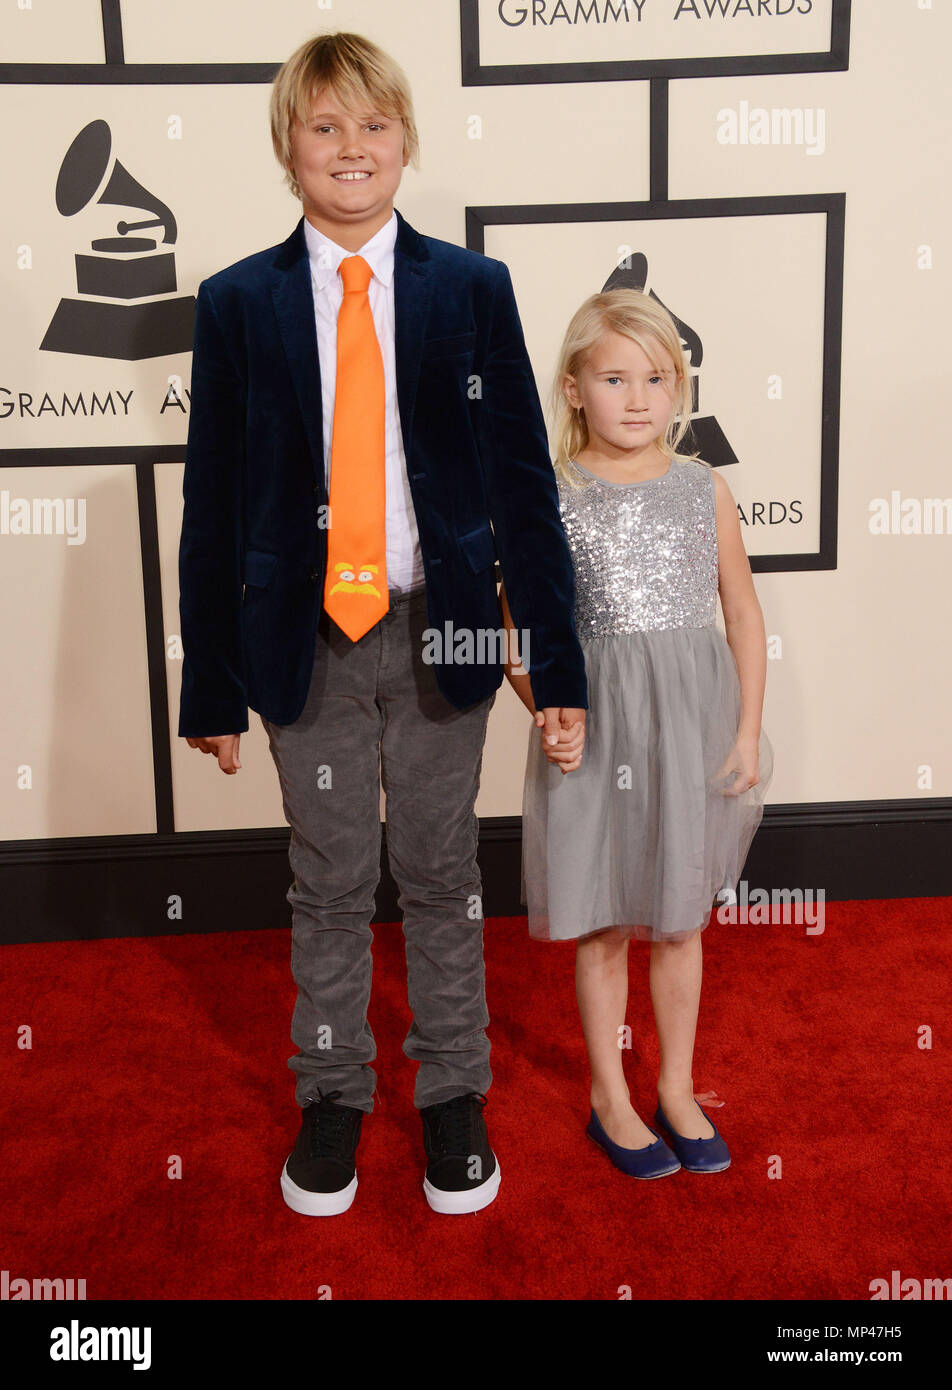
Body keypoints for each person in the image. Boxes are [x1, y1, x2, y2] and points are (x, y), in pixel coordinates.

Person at [176, 31, 588, 1217]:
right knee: (329, 872)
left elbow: (522, 486)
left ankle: (454, 1090)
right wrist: (211, 687)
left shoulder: (471, 289)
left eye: (372, 125)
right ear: (286, 150)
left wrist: (550, 661)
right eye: (324, 126)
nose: (350, 148)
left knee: (442, 866)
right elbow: (213, 501)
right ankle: (333, 1093)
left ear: (405, 142)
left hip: (443, 629)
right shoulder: (238, 303)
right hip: (302, 638)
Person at [499, 288, 773, 1179]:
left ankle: (679, 1086)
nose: (640, 397)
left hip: (690, 722)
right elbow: (515, 631)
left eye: (657, 377)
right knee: (606, 920)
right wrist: (546, 710)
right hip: (599, 723)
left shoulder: (704, 488)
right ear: (574, 387)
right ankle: (609, 1097)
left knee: (682, 917)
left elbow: (742, 609)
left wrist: (747, 729)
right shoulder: (551, 492)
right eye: (615, 377)